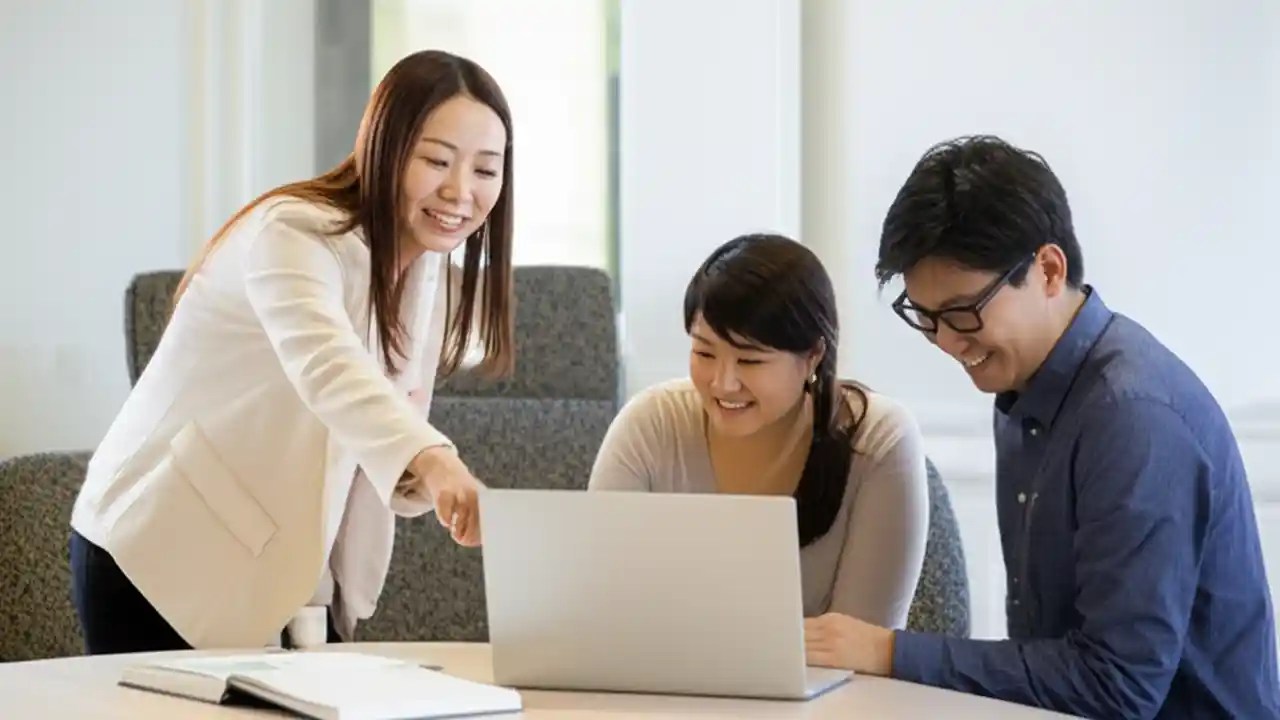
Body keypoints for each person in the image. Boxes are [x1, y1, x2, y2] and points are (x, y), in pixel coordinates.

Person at [804, 135, 1280, 719]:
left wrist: (891, 651)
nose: (949, 343)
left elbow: (1117, 686)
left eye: (961, 312)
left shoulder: (1131, 416)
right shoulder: (1026, 385)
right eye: (925, 318)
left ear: (1048, 270)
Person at [68, 49, 516, 653]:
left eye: (486, 170)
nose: (461, 191)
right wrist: (437, 464)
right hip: (159, 552)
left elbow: (373, 424)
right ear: (384, 149)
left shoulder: (427, 276)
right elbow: (329, 370)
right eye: (436, 160)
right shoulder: (293, 233)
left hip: (285, 571)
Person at [589, 234, 930, 628]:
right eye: (704, 353)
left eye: (749, 360)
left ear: (813, 355)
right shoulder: (650, 426)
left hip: (833, 691)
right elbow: (603, 609)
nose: (723, 383)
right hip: (657, 684)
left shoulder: (878, 441)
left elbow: (861, 649)